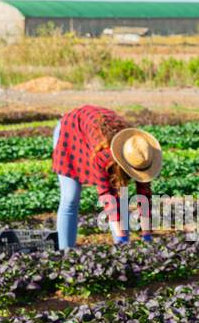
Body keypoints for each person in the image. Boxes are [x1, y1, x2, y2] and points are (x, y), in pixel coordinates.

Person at [51, 105, 162, 250]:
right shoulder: (104, 155)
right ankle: (65, 252)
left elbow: (144, 196)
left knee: (121, 194)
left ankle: (122, 249)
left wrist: (147, 233)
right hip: (71, 131)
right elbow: (107, 195)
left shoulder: (142, 153)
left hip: (93, 130)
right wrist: (121, 237)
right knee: (70, 196)